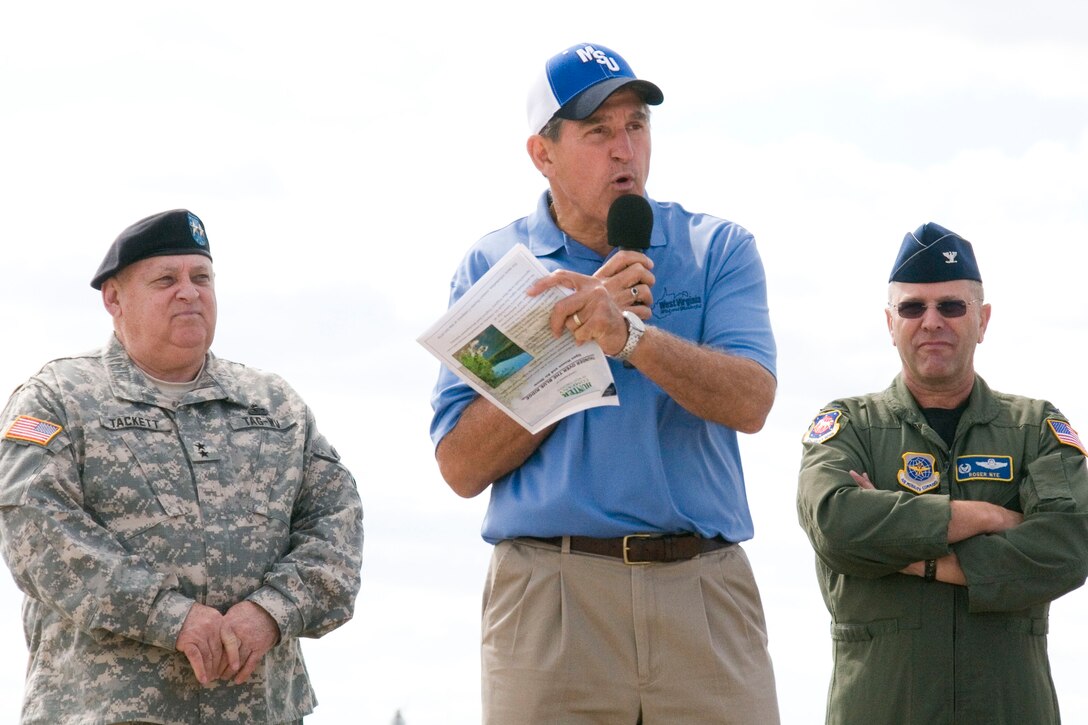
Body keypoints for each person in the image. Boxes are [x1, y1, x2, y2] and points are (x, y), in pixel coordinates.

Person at [430, 43, 780, 723]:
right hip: (551, 600)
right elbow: (461, 465)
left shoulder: (717, 249)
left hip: (703, 593)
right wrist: (561, 342)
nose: (625, 150)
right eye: (598, 132)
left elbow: (752, 399)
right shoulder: (498, 266)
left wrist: (633, 339)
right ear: (543, 153)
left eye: (636, 127)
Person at [0, 209, 364, 724]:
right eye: (165, 280)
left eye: (201, 278)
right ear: (114, 298)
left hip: (257, 710)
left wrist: (271, 611)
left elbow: (337, 526)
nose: (189, 292)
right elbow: (38, 536)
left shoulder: (275, 406)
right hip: (107, 709)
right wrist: (172, 617)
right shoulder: (57, 399)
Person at [796, 222, 1088, 724]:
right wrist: (986, 516)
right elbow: (836, 523)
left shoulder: (1035, 427)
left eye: (951, 306)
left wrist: (915, 556)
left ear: (983, 320)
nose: (932, 321)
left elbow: (1069, 544)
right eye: (912, 307)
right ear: (890, 323)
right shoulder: (850, 426)